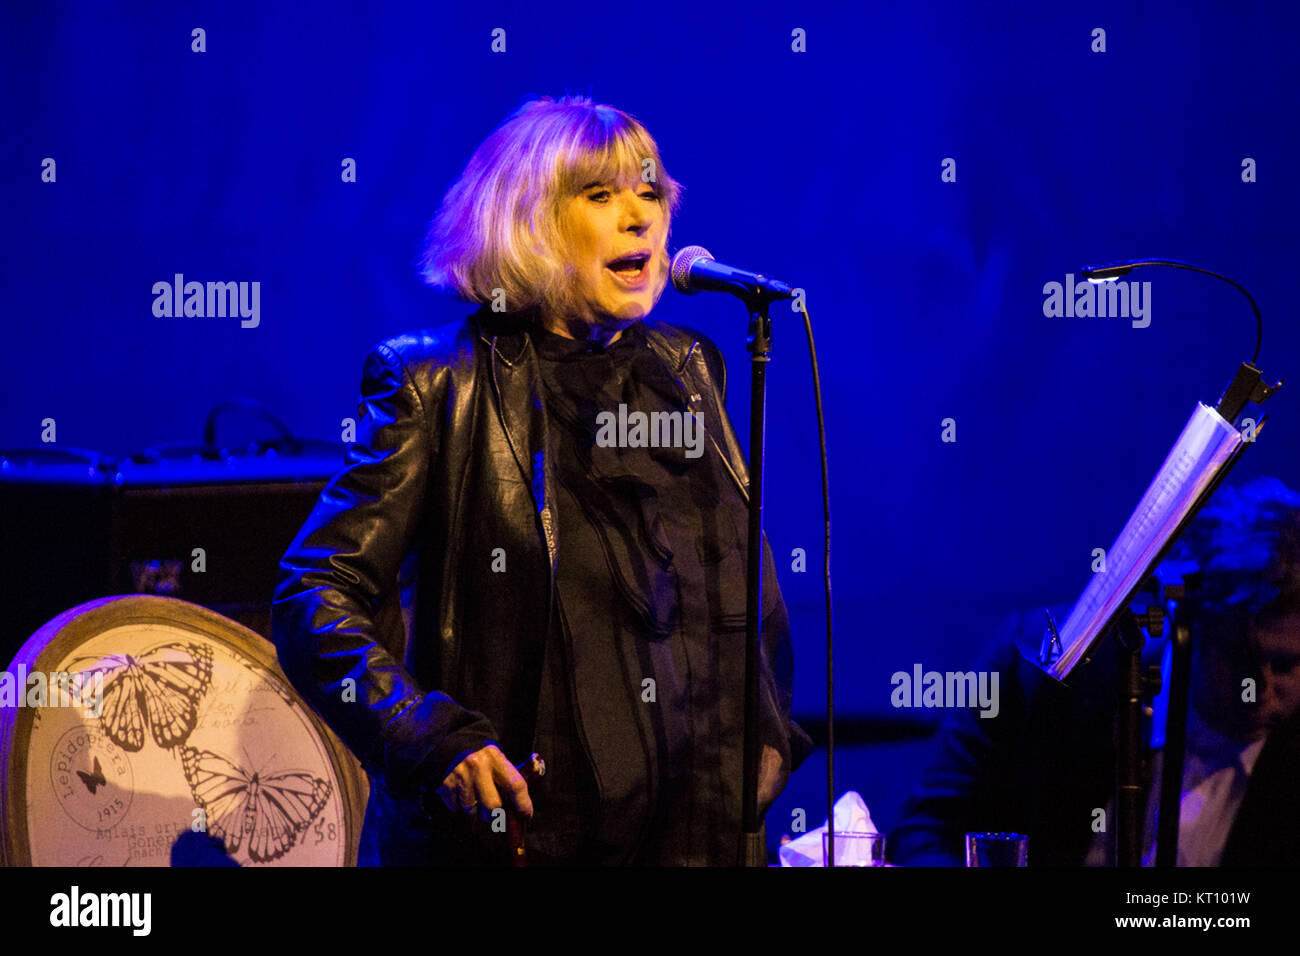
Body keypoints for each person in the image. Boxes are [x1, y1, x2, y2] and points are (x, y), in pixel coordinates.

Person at [271, 95, 813, 866]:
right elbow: (313, 593)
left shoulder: (689, 370)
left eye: (650, 192)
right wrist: (426, 738)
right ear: (528, 222)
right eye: (600, 195)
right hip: (526, 842)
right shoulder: (435, 384)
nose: (639, 218)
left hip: (695, 840)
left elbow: (741, 582)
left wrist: (768, 733)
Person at [888, 475, 1300, 866]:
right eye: (1237, 656)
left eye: (1286, 665)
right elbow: (924, 831)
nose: (1259, 689)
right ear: (1187, 621)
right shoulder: (1036, 662)